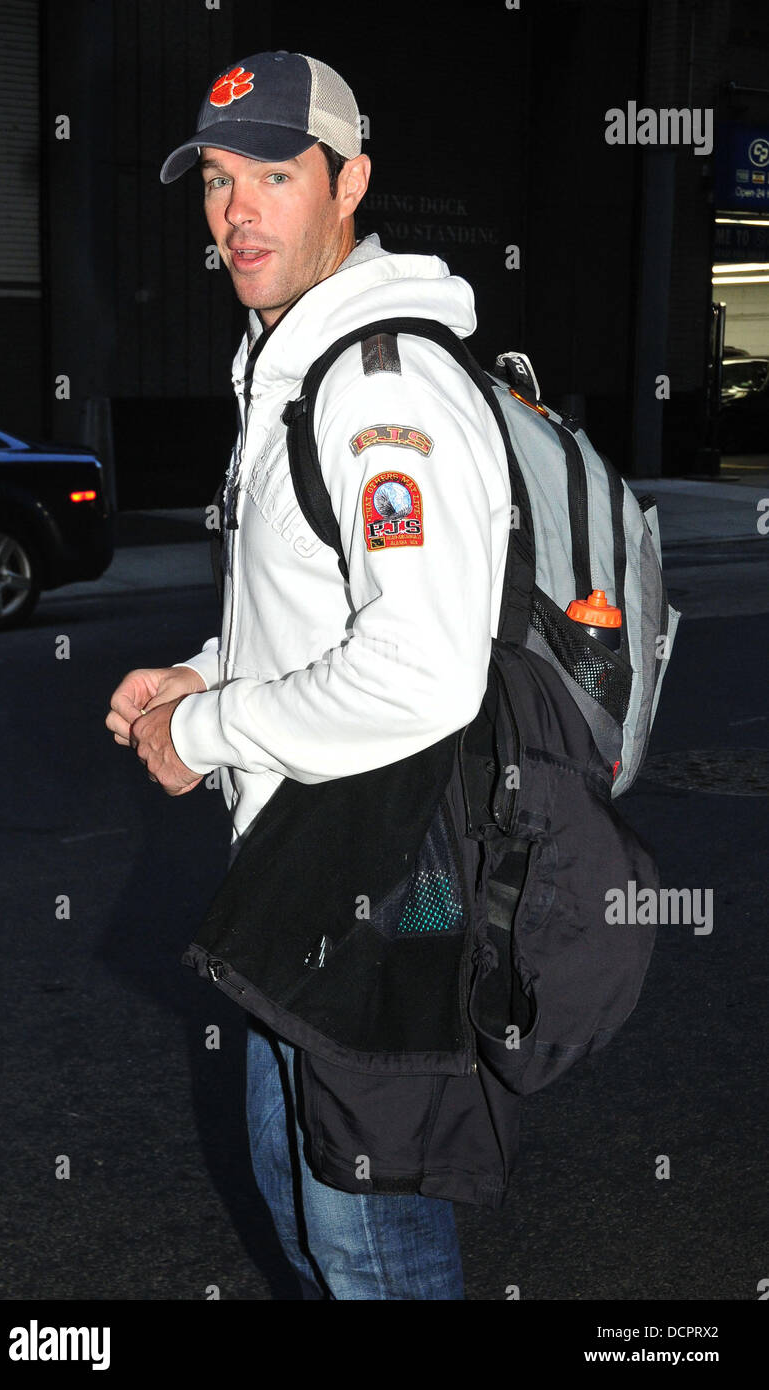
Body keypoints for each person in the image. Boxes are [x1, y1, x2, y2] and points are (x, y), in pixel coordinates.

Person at [106, 50, 513, 1300]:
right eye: (220, 180)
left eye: (276, 174)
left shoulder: (381, 393)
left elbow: (423, 673)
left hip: (391, 880)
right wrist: (196, 677)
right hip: (303, 869)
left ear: (352, 184)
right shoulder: (285, 368)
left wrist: (214, 729)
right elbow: (313, 613)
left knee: (366, 1237)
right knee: (303, 1207)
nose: (238, 212)